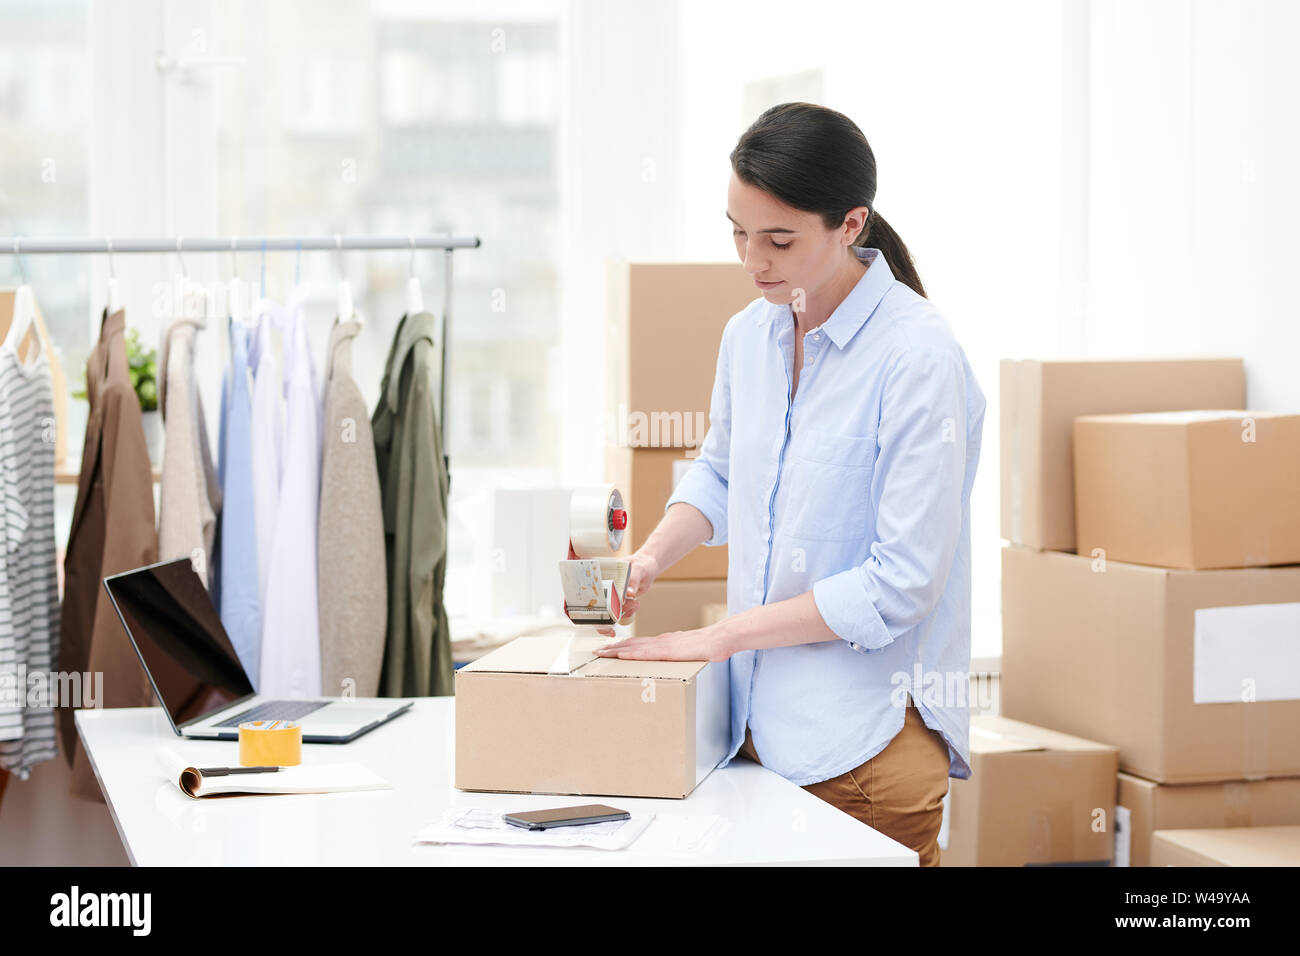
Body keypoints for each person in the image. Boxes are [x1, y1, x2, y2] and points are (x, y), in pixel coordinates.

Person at [595, 102, 986, 867]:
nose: (752, 260)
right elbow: (718, 471)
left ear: (850, 224)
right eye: (737, 233)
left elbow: (898, 586)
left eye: (778, 239)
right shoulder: (750, 335)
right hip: (752, 731)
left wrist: (721, 636)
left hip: (862, 752)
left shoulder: (917, 358)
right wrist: (647, 560)